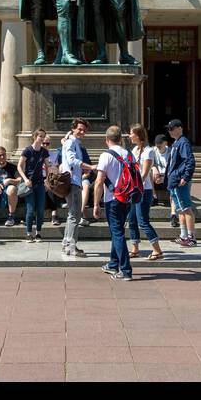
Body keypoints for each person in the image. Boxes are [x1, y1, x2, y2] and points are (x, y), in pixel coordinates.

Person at [93, 124, 133, 281]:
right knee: (118, 231)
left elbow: (99, 181)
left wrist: (96, 204)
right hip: (127, 198)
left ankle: (125, 270)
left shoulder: (106, 155)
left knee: (117, 233)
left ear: (107, 139)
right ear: (120, 139)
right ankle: (113, 263)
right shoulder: (129, 154)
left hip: (113, 199)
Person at [60, 118, 95, 260]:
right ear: (73, 128)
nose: (82, 132)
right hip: (73, 183)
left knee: (72, 215)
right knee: (75, 215)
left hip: (75, 181)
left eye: (84, 130)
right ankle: (71, 246)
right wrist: (89, 167)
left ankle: (67, 244)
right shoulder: (71, 142)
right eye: (80, 129)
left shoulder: (73, 142)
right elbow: (71, 160)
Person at [127, 124, 163, 261]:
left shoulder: (148, 151)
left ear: (138, 135)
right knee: (132, 220)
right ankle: (135, 248)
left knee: (143, 221)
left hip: (143, 190)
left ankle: (157, 250)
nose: (129, 136)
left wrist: (133, 185)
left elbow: (144, 174)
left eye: (131, 133)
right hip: (134, 190)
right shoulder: (134, 149)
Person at [165, 118, 196, 247]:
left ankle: (191, 237)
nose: (170, 131)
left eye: (171, 129)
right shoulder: (177, 143)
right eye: (169, 129)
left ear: (179, 128)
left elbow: (190, 161)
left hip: (179, 181)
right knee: (180, 209)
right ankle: (184, 235)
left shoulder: (183, 142)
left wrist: (185, 177)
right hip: (174, 181)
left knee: (186, 208)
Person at [17, 128, 50, 241]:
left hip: (40, 183)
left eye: (43, 136)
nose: (42, 138)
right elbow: (19, 166)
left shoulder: (44, 151)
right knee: (30, 209)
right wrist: (25, 179)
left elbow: (47, 167)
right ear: (35, 137)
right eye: (40, 136)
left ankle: (38, 233)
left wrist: (47, 180)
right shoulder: (27, 150)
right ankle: (28, 233)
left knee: (40, 209)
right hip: (29, 184)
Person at [150, 133, 177, 227]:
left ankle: (173, 215)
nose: (158, 145)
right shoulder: (153, 151)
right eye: (157, 143)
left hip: (167, 177)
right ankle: (154, 197)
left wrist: (164, 178)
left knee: (173, 182)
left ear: (165, 143)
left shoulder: (171, 151)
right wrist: (153, 168)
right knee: (149, 172)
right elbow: (148, 164)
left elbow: (173, 168)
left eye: (160, 143)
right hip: (156, 177)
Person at [44, 134, 64, 225]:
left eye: (47, 143)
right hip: (39, 179)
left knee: (53, 186)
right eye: (43, 143)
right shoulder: (35, 154)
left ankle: (54, 214)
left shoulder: (54, 154)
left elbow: (56, 169)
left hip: (51, 178)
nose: (45, 145)